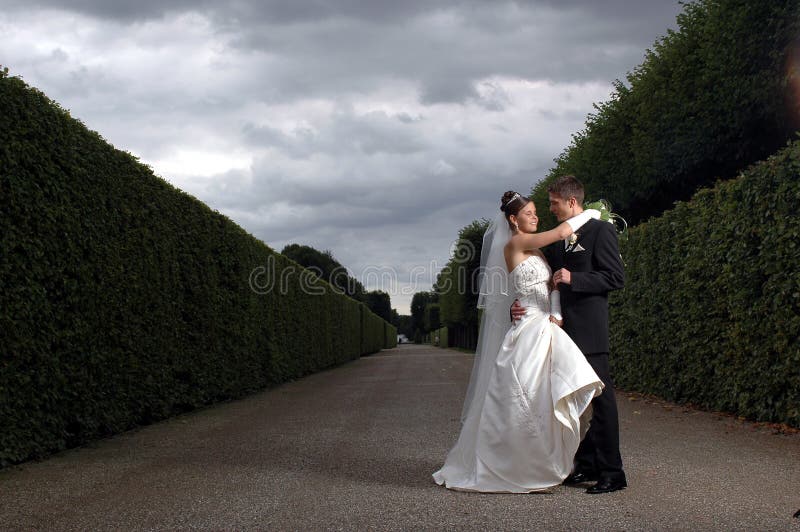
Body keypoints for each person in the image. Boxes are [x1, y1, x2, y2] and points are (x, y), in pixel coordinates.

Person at [432, 191, 604, 493]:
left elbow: (549, 286)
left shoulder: (536, 252)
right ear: (514, 220)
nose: (536, 216)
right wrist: (595, 213)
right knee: (524, 398)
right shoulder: (517, 242)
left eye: (537, 211)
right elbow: (563, 231)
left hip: (544, 326)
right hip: (527, 330)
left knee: (545, 397)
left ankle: (542, 460)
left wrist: (555, 312)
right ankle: (516, 462)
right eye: (530, 213)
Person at [513, 175, 627, 494]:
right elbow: (544, 282)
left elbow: (615, 277)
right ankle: (587, 464)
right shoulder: (559, 238)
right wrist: (518, 305)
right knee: (575, 400)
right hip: (561, 332)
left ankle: (613, 472)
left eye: (554, 203)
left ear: (571, 202)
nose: (551, 209)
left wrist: (575, 278)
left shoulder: (600, 230)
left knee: (602, 402)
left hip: (589, 329)